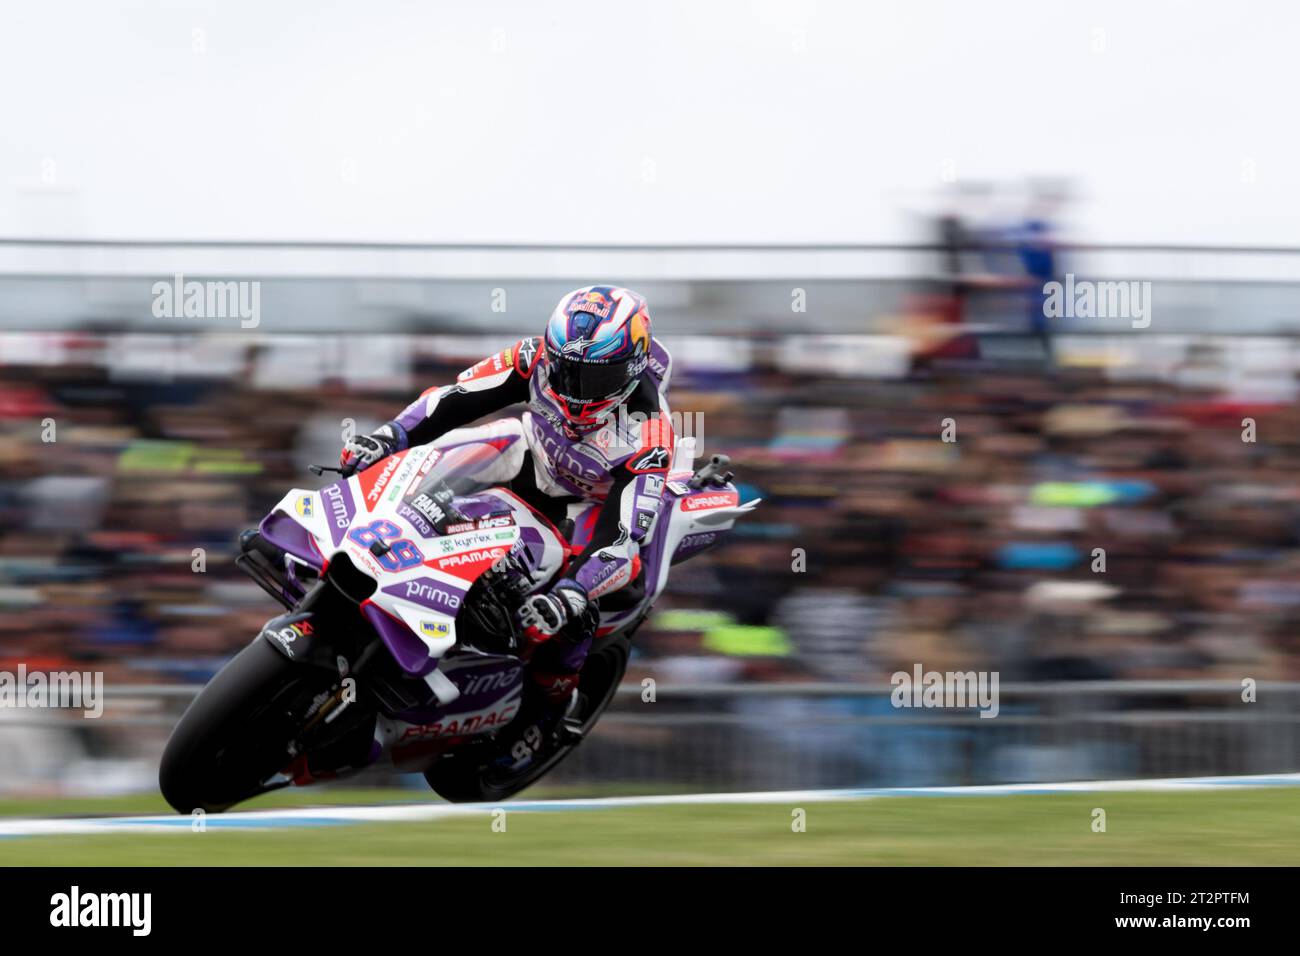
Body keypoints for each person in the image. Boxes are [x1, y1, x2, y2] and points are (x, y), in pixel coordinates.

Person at [340, 286, 675, 767]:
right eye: (566, 368)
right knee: (438, 458)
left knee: (570, 610)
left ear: (630, 366)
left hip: (586, 510)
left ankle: (547, 715)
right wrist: (387, 437)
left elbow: (622, 542)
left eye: (594, 374)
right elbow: (453, 399)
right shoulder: (532, 358)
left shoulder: (650, 436)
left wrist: (574, 594)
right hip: (530, 458)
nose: (576, 386)